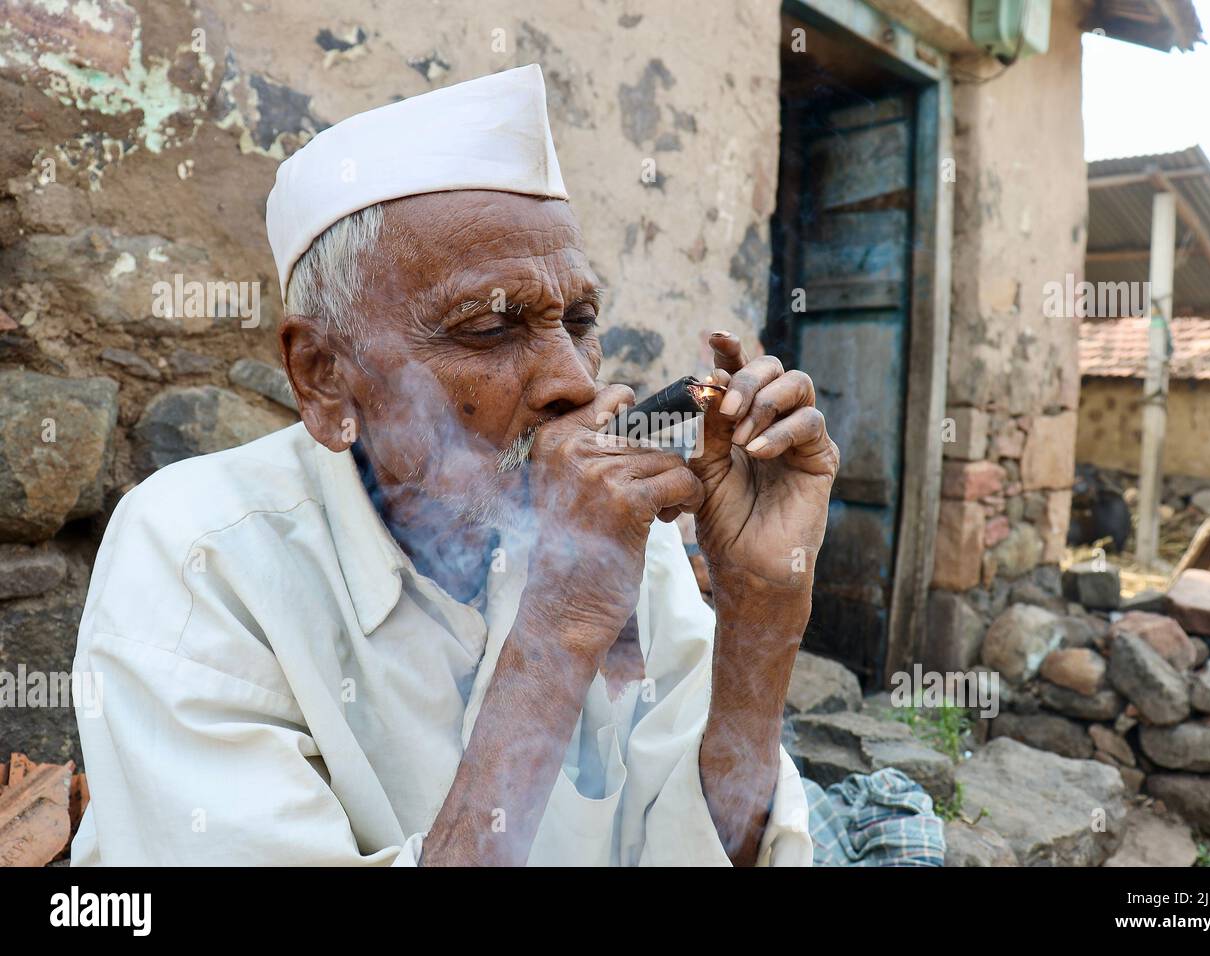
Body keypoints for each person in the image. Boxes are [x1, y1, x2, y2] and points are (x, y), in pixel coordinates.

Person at [72, 64, 838, 866]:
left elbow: (711, 846)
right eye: (488, 327)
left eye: (578, 320)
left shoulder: (614, 536)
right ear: (324, 376)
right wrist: (562, 628)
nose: (575, 381)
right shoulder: (199, 558)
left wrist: (762, 606)